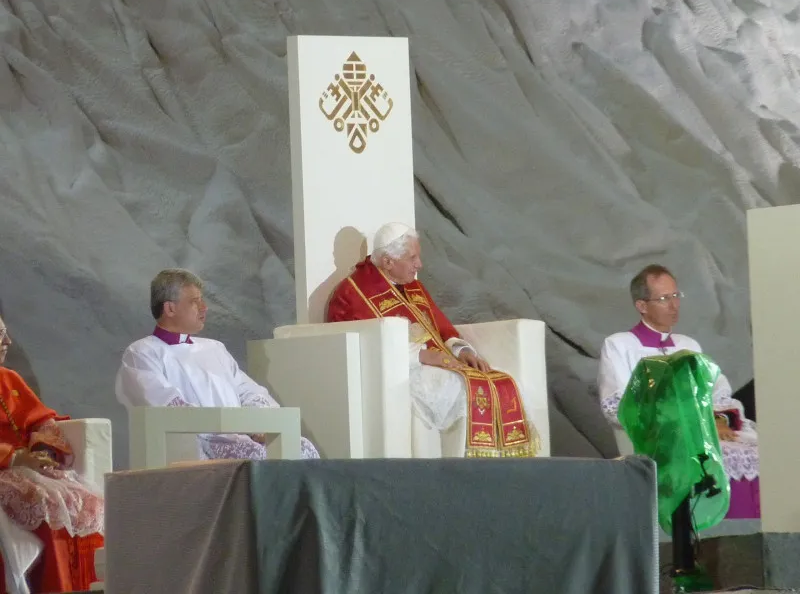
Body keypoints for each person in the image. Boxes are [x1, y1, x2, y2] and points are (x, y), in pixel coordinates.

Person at [326, 222, 539, 458]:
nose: (420, 265)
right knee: (463, 390)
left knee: (502, 381)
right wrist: (420, 356)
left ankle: (505, 466)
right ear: (388, 261)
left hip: (440, 363)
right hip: (403, 372)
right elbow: (360, 348)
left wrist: (462, 351)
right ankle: (461, 468)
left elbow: (440, 326)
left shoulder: (413, 286)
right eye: (412, 258)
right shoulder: (352, 294)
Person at [597, 264, 759, 518]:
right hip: (657, 440)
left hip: (703, 434)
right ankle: (712, 535)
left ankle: (751, 538)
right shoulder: (619, 346)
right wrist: (690, 424)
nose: (674, 305)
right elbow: (617, 406)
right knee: (710, 458)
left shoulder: (688, 346)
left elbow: (718, 394)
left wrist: (718, 420)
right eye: (663, 299)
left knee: (754, 451)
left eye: (676, 296)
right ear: (642, 306)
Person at [115, 269, 319, 460]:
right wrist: (227, 432)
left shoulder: (214, 348)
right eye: (195, 302)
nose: (204, 307)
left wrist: (260, 426)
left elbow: (249, 392)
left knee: (302, 447)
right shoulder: (142, 353)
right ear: (170, 308)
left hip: (242, 434)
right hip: (199, 444)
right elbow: (168, 409)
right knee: (259, 457)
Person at [0, 315, 104, 593]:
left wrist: (42, 449)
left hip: (27, 468)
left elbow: (41, 421)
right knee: (42, 501)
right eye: (0, 335)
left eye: (6, 333)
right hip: (5, 469)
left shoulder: (8, 378)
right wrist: (16, 457)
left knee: (87, 500)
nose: (7, 342)